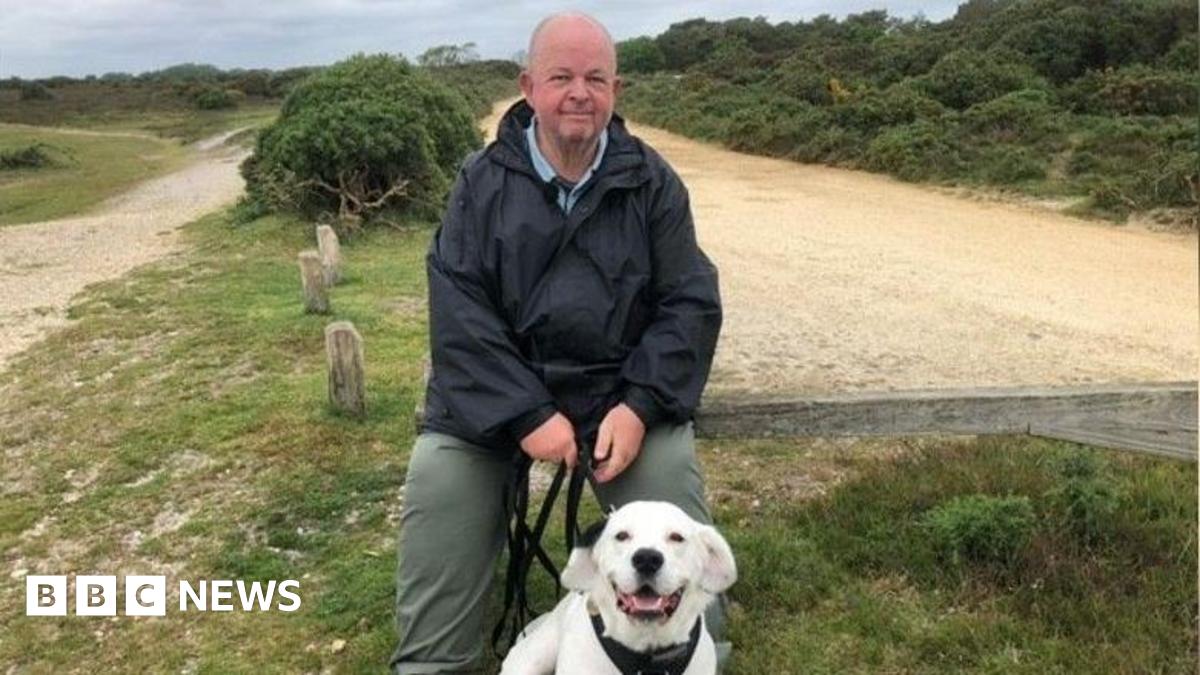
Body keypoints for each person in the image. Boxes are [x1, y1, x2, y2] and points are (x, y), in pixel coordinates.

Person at [391, 11, 725, 673]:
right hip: (490, 408)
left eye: (595, 78)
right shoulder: (479, 185)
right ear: (529, 86)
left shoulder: (653, 184)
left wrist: (640, 404)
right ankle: (435, 662)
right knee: (440, 483)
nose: (579, 91)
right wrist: (525, 413)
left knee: (673, 501)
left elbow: (689, 301)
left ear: (616, 90)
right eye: (562, 76)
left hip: (620, 403)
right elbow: (459, 314)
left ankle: (696, 654)